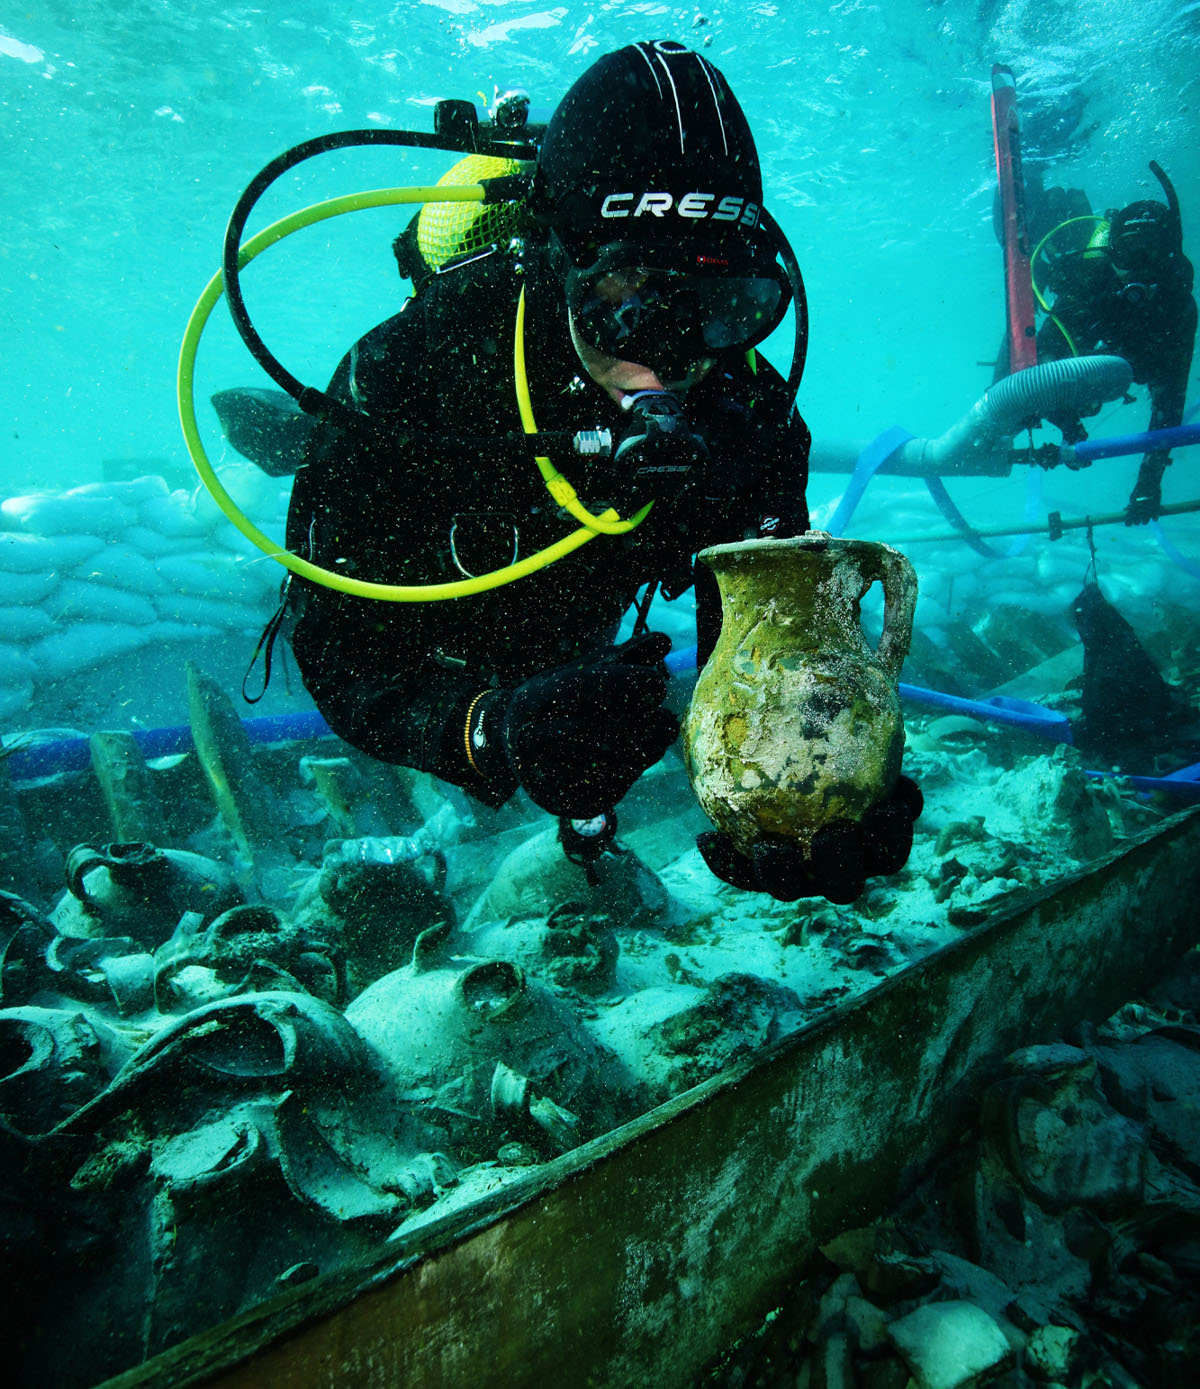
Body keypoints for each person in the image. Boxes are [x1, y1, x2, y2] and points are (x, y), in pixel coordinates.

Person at [283, 39, 921, 904]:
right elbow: (338, 650)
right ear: (557, 259)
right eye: (628, 304)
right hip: (442, 616)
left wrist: (829, 777)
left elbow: (774, 650)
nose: (675, 363)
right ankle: (289, 443)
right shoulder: (413, 375)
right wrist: (487, 729)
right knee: (311, 456)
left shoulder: (749, 418)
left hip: (581, 618)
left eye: (725, 308)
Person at [1030, 162, 1196, 524]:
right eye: (1128, 260)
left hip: (1129, 357)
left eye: (1149, 261)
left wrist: (1148, 482)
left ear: (1168, 260)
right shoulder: (1093, 282)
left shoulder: (1178, 306)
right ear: (1112, 256)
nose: (1137, 276)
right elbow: (1039, 364)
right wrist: (1068, 424)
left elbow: (1169, 405)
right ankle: (1039, 192)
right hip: (1093, 349)